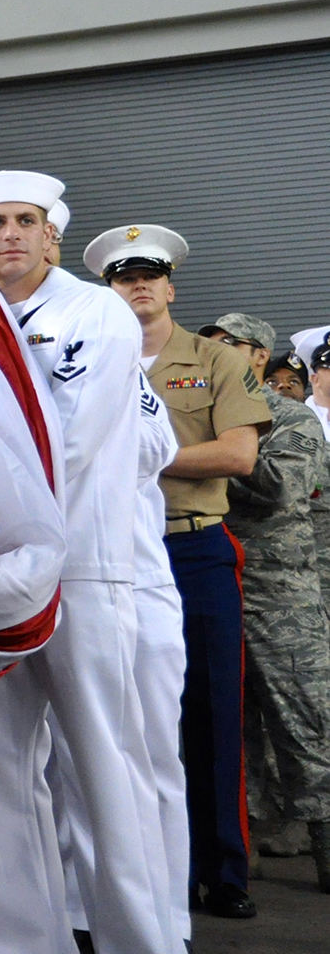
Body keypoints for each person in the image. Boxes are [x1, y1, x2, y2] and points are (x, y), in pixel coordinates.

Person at [0, 173, 176, 954]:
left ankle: (140, 938)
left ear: (53, 237)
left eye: (25, 220)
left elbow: (71, 443)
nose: (9, 233)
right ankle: (11, 938)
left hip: (80, 563)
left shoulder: (95, 312)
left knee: (105, 763)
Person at [88, 222, 272, 919]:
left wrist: (134, 456)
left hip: (191, 547)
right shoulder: (89, 357)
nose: (138, 285)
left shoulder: (217, 361)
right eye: (123, 277)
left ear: (170, 285)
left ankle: (223, 871)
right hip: (110, 553)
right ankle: (140, 873)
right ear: (107, 291)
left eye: (149, 274)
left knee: (213, 714)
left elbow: (237, 457)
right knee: (120, 719)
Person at [198, 313, 330, 893]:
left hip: (283, 598)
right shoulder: (195, 418)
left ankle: (325, 845)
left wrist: (208, 463)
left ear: (260, 358)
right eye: (214, 344)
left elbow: (280, 488)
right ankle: (237, 851)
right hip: (212, 585)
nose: (221, 353)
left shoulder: (292, 417)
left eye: (236, 347)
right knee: (226, 723)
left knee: (306, 722)